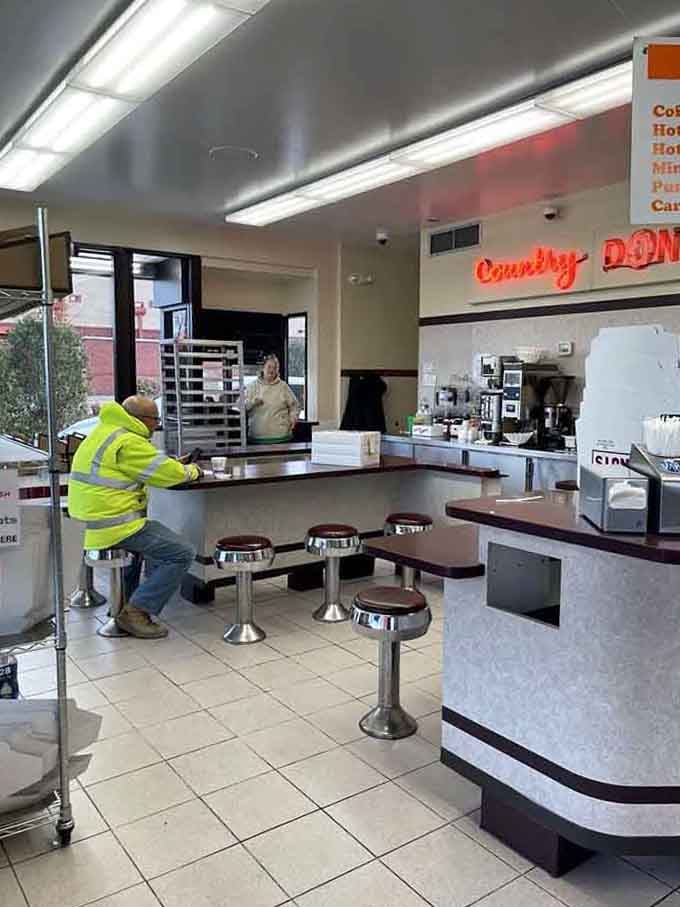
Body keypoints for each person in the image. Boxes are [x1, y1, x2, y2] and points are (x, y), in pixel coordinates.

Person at [67, 396, 202, 639]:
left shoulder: (105, 432)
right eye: (155, 420)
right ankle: (137, 611)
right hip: (113, 526)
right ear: (143, 420)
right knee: (182, 552)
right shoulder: (129, 441)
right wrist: (193, 470)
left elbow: (143, 466)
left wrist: (167, 464)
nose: (156, 425)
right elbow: (170, 475)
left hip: (86, 525)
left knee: (143, 543)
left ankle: (123, 605)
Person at [245, 354, 301, 443]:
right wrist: (252, 403)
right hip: (257, 438)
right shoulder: (252, 386)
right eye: (269, 367)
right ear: (263, 368)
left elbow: (295, 406)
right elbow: (240, 406)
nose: (272, 370)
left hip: (281, 437)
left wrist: (292, 419)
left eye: (275, 368)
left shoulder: (283, 386)